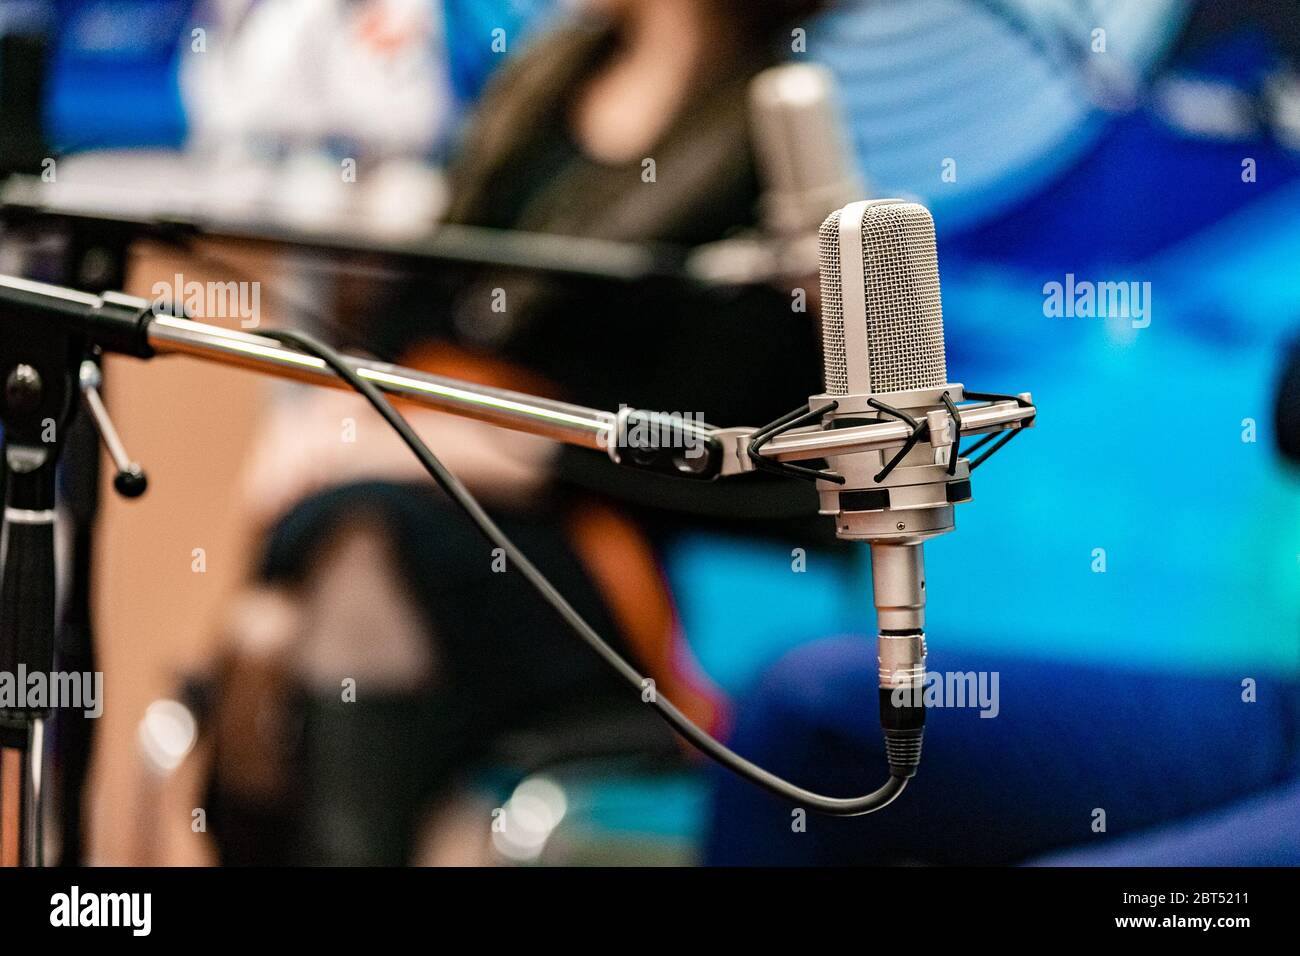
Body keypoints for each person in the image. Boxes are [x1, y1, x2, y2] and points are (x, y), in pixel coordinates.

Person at [204, 0, 840, 864]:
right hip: (435, 508)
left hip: (611, 559)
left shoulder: (780, 134)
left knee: (355, 561)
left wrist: (518, 445)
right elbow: (415, 313)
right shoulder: (540, 84)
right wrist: (341, 412)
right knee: (316, 589)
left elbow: (745, 438)